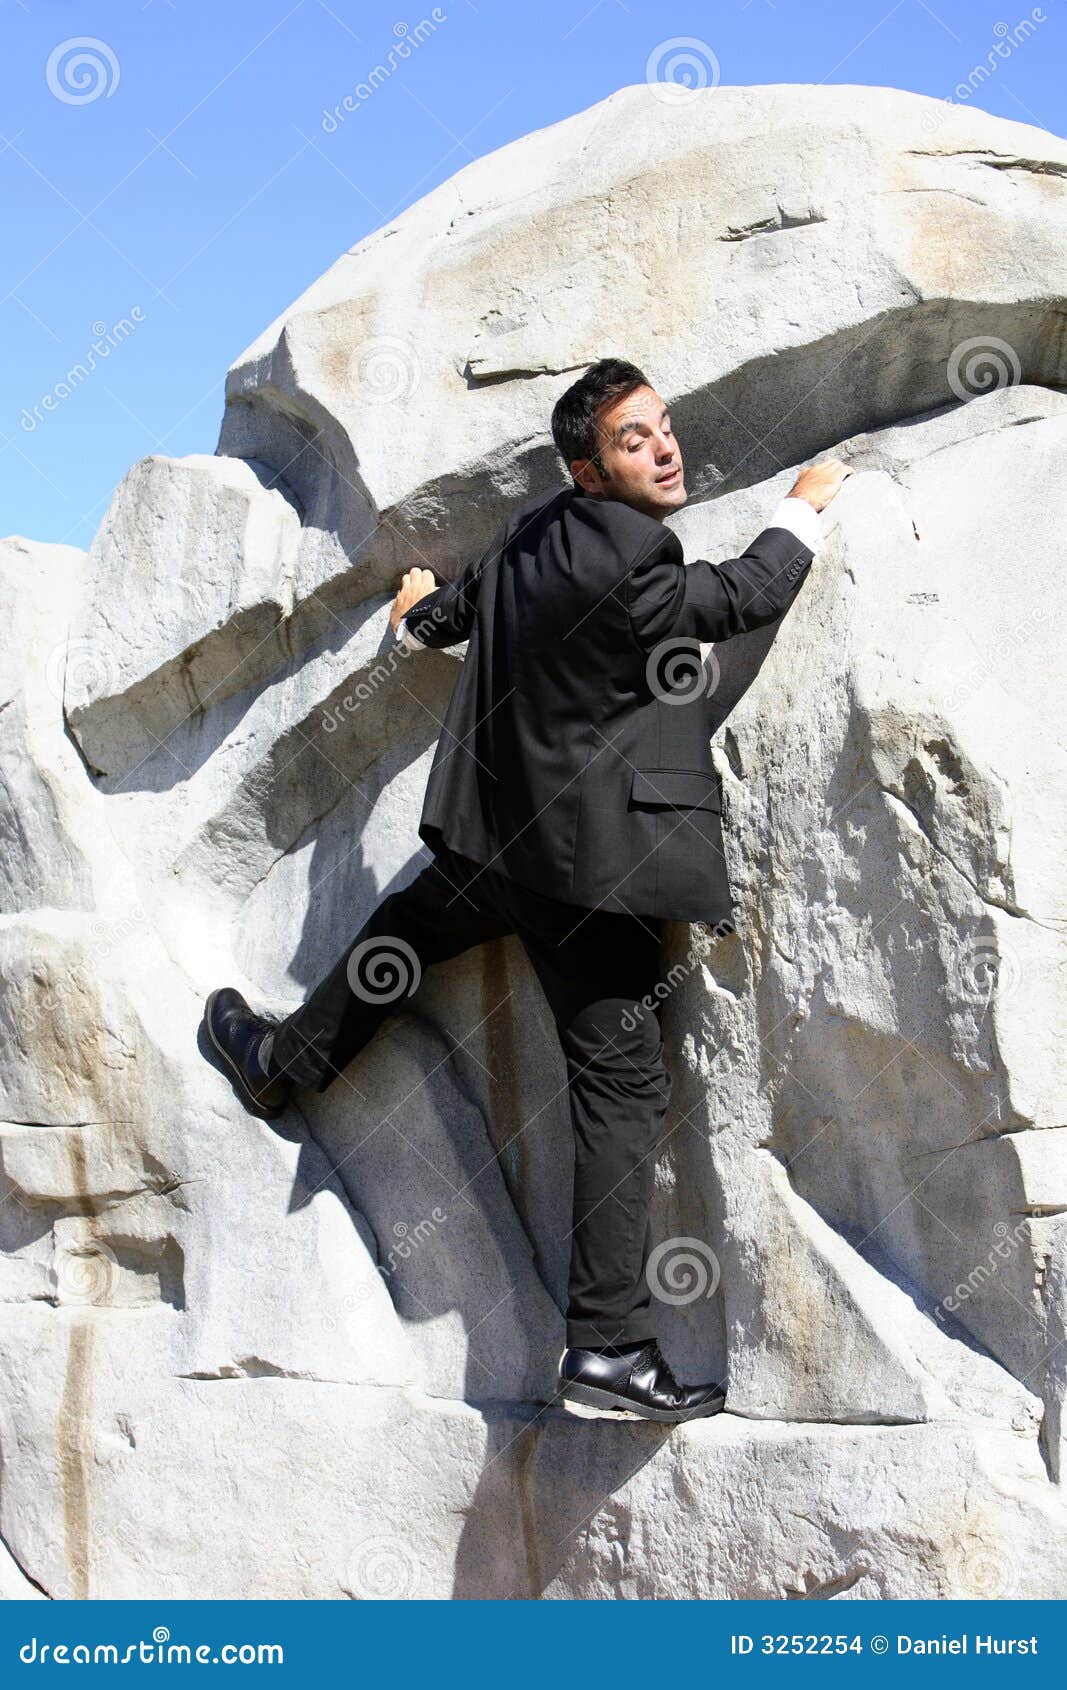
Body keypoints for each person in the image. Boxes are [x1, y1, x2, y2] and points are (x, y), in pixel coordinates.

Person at [205, 358, 851, 1422]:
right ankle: (605, 1349)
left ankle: (280, 1061)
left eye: (663, 427)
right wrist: (799, 513)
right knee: (620, 1083)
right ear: (588, 470)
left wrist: (416, 617)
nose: (664, 447)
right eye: (635, 440)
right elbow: (738, 597)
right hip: (582, 875)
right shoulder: (637, 556)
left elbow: (462, 605)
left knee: (401, 934)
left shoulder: (533, 527)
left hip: (489, 835)